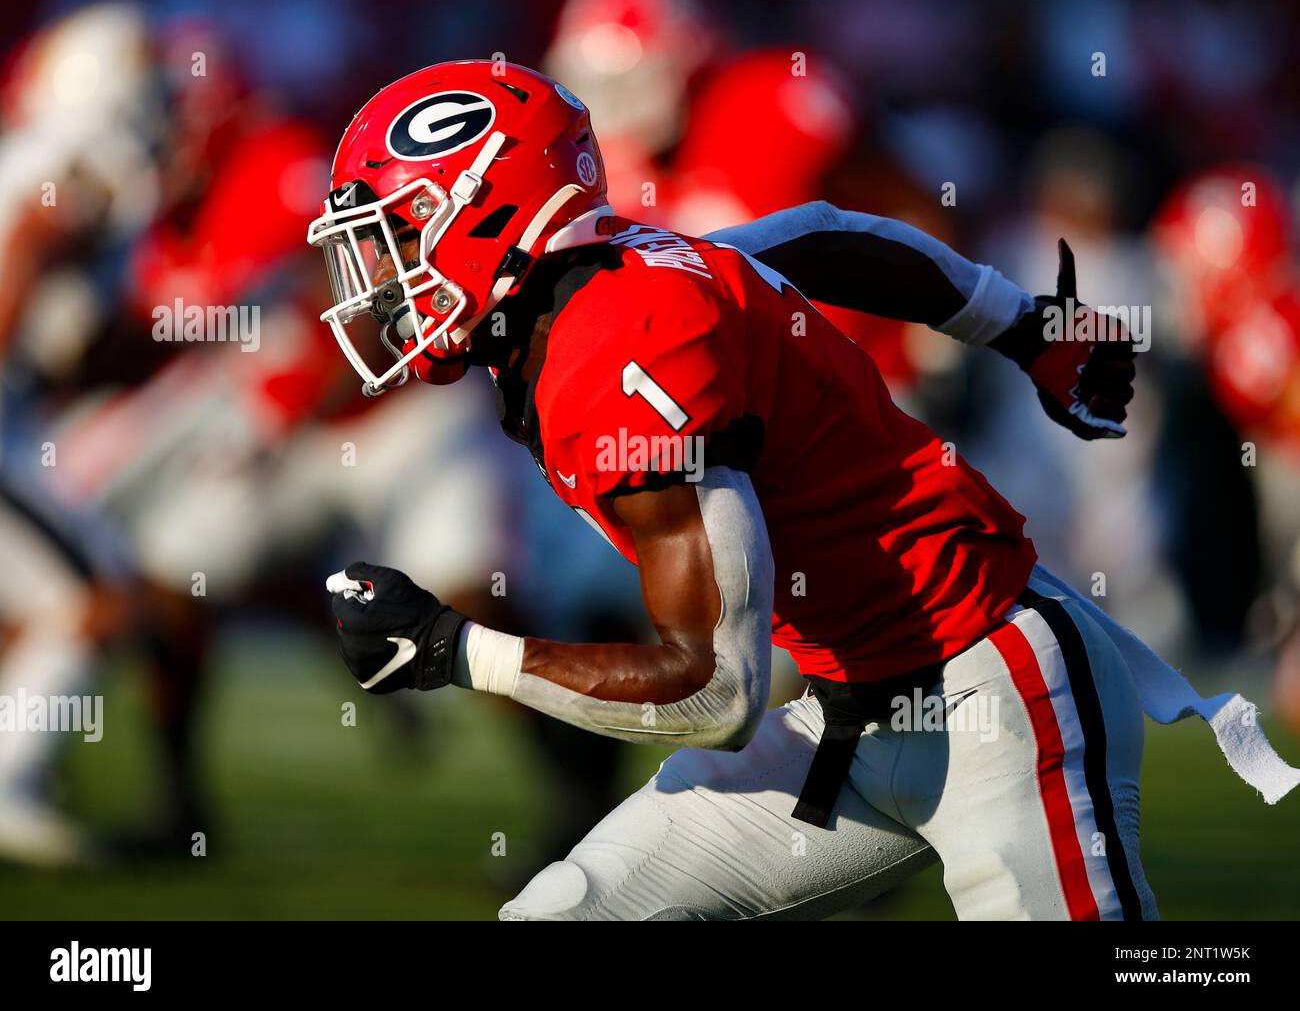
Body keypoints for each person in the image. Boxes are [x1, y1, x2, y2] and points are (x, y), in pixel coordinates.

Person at [309, 60, 1298, 920]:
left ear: (486, 213)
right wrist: (1019, 324)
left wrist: (453, 650)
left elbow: (714, 691)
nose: (372, 279)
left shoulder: (618, 345)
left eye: (392, 236)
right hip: (850, 714)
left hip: (992, 690)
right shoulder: (612, 284)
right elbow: (828, 238)